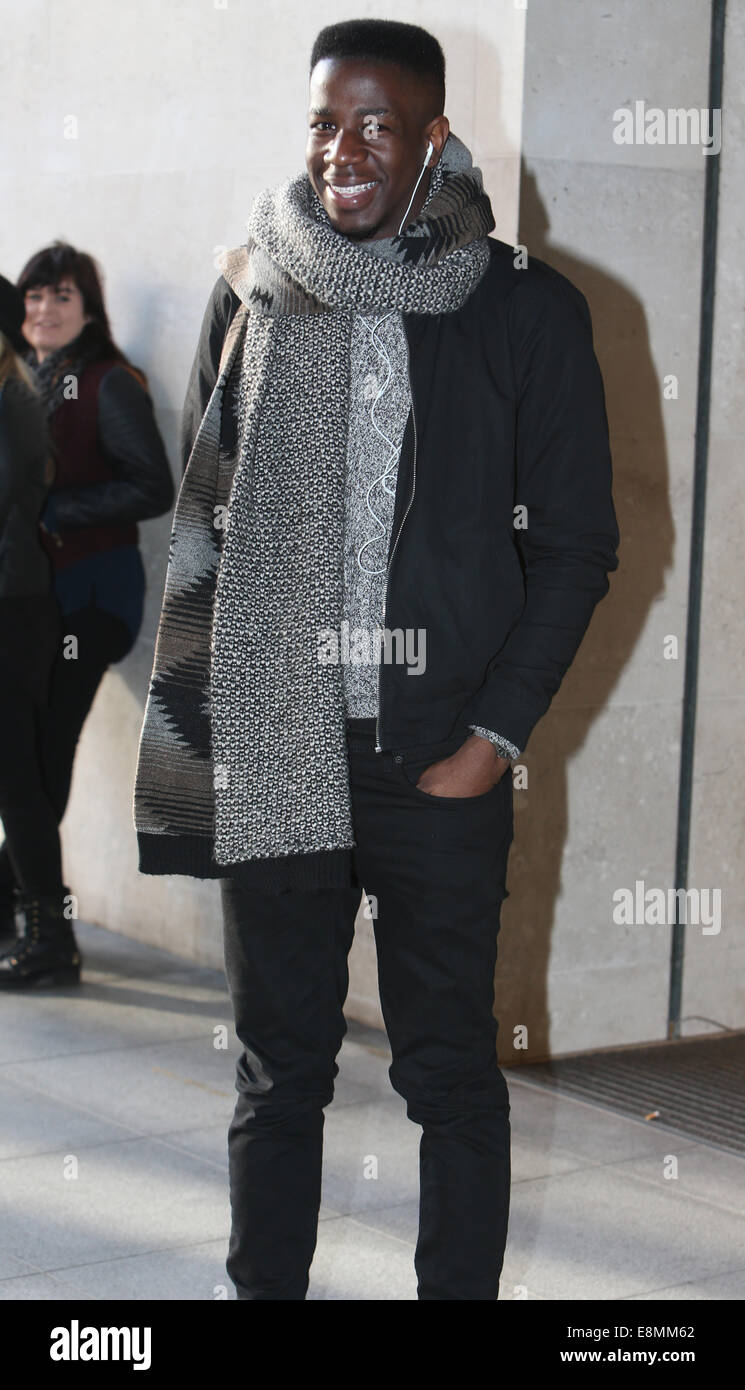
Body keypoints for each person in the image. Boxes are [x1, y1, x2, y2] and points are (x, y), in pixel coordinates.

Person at [133, 18, 620, 1299]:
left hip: (437, 755)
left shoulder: (524, 311)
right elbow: (212, 512)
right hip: (281, 737)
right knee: (274, 1071)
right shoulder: (252, 291)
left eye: (376, 123)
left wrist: (493, 738)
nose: (342, 149)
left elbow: (576, 549)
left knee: (447, 1073)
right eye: (321, 121)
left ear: (433, 136)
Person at [0, 243, 174, 987]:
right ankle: (29, 908)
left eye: (62, 297)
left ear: (89, 309)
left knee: (43, 750)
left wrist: (47, 511)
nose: (45, 310)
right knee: (31, 756)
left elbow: (152, 486)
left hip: (94, 597)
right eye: (36, 297)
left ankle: (40, 919)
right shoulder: (26, 376)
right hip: (41, 598)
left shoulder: (109, 383)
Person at [0, 275, 69, 976]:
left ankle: (50, 934)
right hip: (17, 602)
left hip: (10, 610)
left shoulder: (12, 399)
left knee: (17, 779)